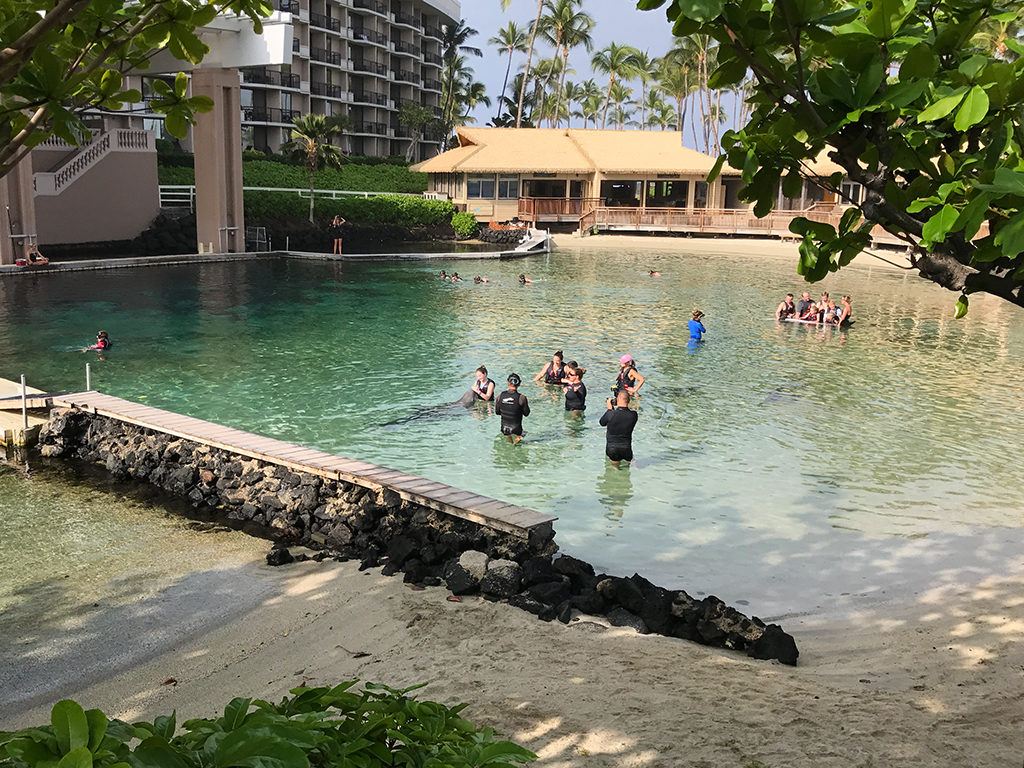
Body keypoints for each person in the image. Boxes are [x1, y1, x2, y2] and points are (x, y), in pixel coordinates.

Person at [599, 390, 638, 466]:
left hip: (612, 449)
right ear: (629, 401)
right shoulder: (634, 415)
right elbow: (621, 417)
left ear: (617, 400)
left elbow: (602, 423)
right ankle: (634, 464)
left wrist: (609, 409)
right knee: (627, 468)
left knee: (615, 468)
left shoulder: (610, 414)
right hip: (626, 449)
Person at [495, 373, 530, 443]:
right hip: (517, 430)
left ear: (508, 383)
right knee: (524, 433)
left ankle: (511, 441)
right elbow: (526, 413)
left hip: (504, 430)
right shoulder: (522, 398)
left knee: (508, 440)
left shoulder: (500, 396)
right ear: (519, 384)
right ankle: (518, 439)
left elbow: (497, 412)